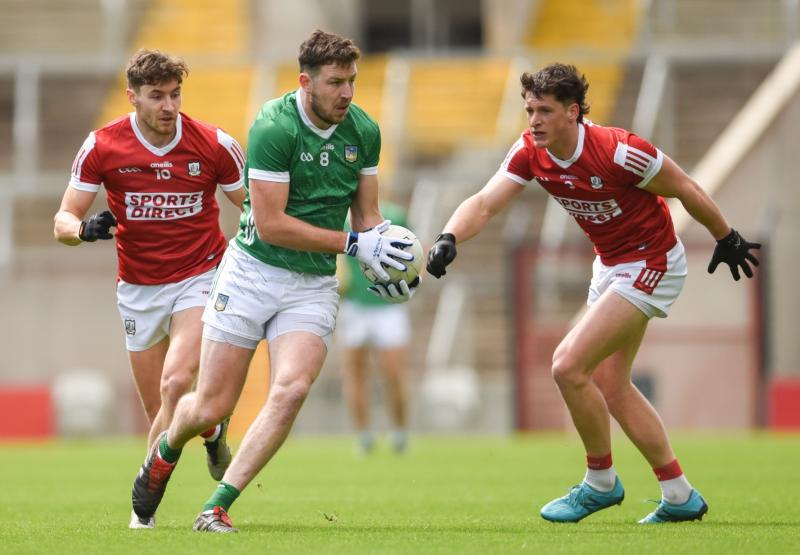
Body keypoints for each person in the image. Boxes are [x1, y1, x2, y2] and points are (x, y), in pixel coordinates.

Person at [426, 63, 760, 524]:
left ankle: (600, 482)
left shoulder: (619, 152)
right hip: (609, 264)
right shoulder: (531, 151)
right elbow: (484, 203)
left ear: (573, 112)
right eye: (529, 110)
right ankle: (679, 495)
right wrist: (449, 237)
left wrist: (727, 236)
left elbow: (683, 186)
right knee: (611, 384)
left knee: (567, 365)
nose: (534, 121)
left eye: (544, 110)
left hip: (652, 263)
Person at [129, 29, 418, 533]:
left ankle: (216, 506)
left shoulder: (364, 131)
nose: (346, 93)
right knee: (213, 405)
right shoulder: (273, 126)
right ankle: (166, 450)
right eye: (335, 83)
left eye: (351, 81)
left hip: (311, 284)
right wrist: (354, 246)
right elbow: (271, 224)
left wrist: (386, 260)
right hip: (252, 273)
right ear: (306, 82)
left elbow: (368, 216)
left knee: (291, 389)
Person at [53, 48, 246, 529]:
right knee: (163, 409)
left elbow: (255, 211)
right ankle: (213, 426)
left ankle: (144, 507)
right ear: (132, 97)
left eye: (175, 94)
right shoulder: (102, 145)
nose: (168, 105)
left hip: (201, 277)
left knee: (176, 382)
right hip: (138, 289)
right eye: (156, 95)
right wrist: (82, 231)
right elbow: (63, 219)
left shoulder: (214, 144)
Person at [339, 201, 412, 455]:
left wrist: (410, 285)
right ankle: (364, 435)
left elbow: (415, 254)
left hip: (387, 305)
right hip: (354, 304)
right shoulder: (340, 218)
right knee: (355, 372)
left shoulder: (394, 216)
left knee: (393, 372)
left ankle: (400, 431)